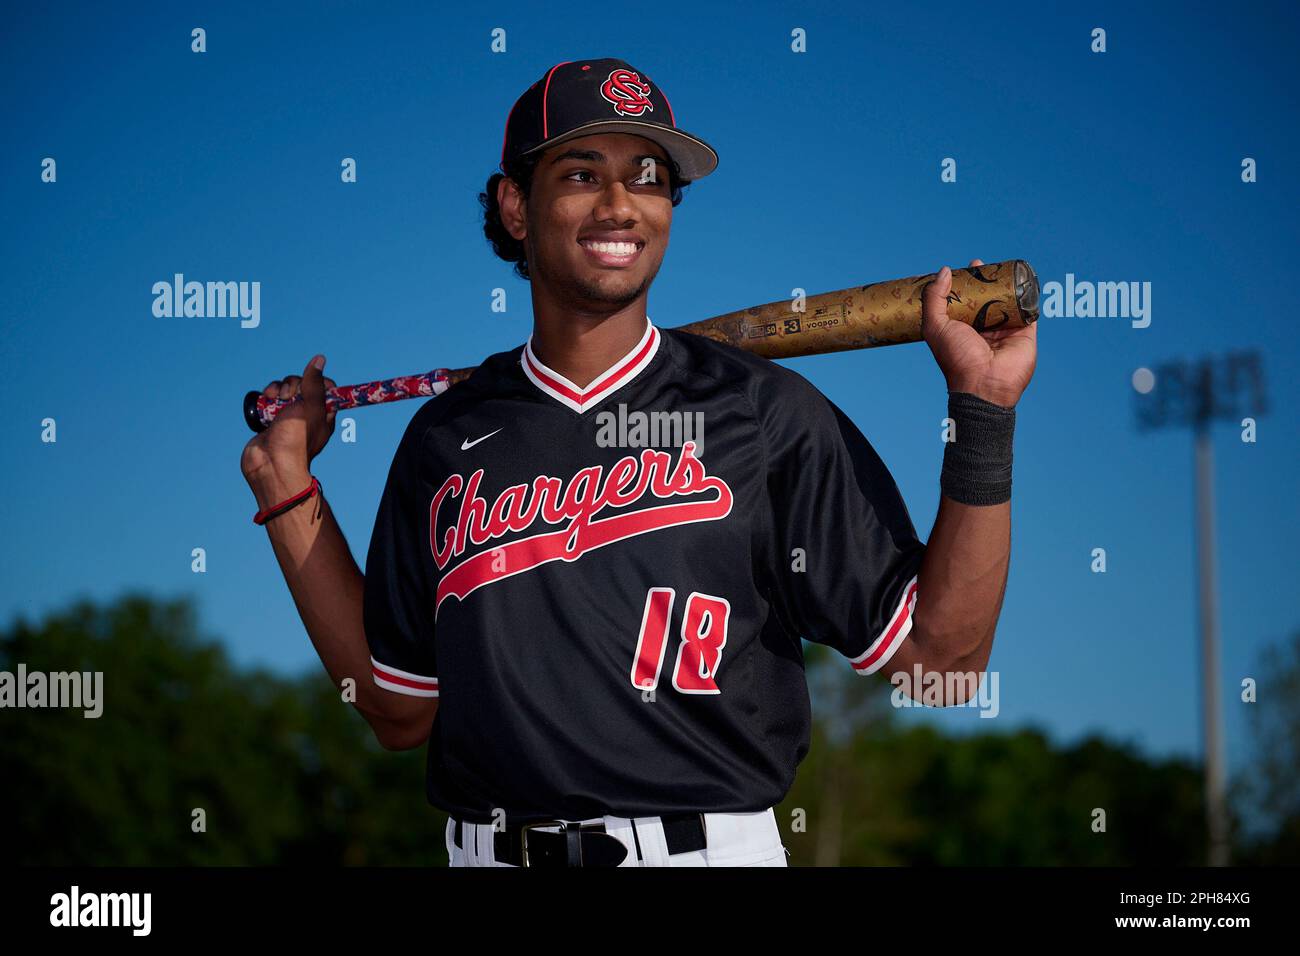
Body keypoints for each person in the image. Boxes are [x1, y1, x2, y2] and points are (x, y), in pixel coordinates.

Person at [240, 57, 1037, 867]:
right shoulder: (446, 440)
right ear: (515, 207)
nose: (620, 204)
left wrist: (984, 416)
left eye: (647, 176)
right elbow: (395, 709)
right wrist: (286, 487)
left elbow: (944, 662)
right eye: (582, 172)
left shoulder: (763, 413)